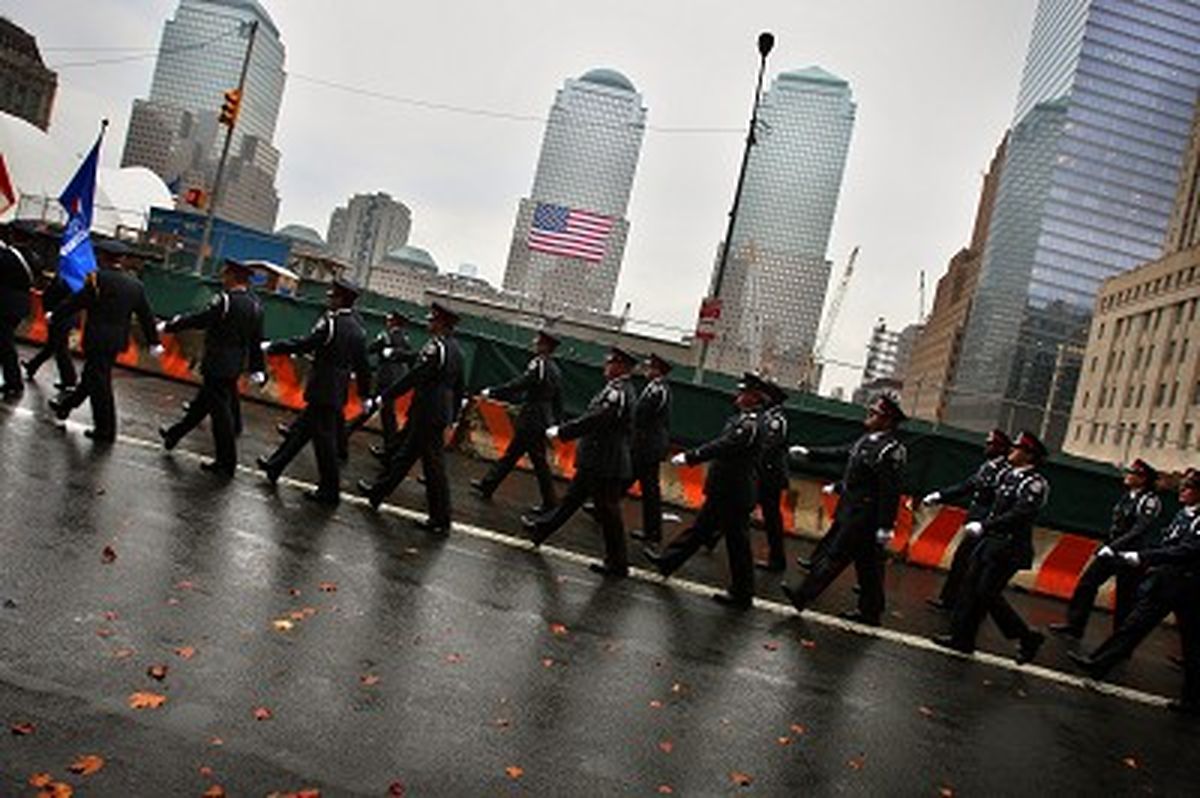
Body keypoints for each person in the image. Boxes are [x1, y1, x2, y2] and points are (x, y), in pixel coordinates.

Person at [1068, 471, 1200, 716]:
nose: (1183, 490)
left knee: (1193, 645)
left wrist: (1144, 556)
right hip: (1166, 582)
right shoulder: (1185, 515)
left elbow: (1189, 550)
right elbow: (1167, 543)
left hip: (1190, 588)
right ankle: (1098, 664)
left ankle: (1192, 699)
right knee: (1134, 624)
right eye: (1183, 486)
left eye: (1189, 487)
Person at [642, 373, 769, 608]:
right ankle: (668, 562)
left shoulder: (751, 423)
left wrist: (693, 456)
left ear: (755, 397)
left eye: (743, 393)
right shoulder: (742, 419)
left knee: (737, 543)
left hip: (734, 491)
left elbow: (726, 445)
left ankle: (742, 594)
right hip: (727, 489)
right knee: (701, 529)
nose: (738, 396)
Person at [780, 395, 907, 626]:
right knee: (868, 565)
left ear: (888, 420)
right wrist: (810, 453)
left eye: (875, 412)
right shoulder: (866, 441)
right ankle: (871, 611)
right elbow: (840, 453)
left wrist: (886, 525)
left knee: (835, 556)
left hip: (864, 516)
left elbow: (890, 490)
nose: (869, 413)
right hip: (851, 510)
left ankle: (802, 596)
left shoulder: (890, 450)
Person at [932, 431, 1050, 664]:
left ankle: (1026, 636)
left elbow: (1020, 514)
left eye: (1016, 448)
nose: (1011, 451)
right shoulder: (1008, 475)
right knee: (970, 589)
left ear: (1028, 455)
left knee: (986, 593)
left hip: (1009, 546)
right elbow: (978, 487)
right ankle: (962, 639)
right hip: (990, 543)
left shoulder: (1034, 484)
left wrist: (984, 525)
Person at [520, 346, 638, 578]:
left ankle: (618, 563)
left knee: (609, 512)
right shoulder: (615, 389)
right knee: (572, 499)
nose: (607, 366)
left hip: (606, 461)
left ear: (622, 367)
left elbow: (597, 419)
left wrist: (564, 432)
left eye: (611, 362)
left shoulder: (619, 392)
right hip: (597, 458)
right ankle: (541, 530)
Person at [255, 277, 370, 505]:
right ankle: (275, 465)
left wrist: (275, 347)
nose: (329, 300)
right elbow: (362, 365)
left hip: (323, 387)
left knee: (325, 443)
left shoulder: (332, 323)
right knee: (301, 431)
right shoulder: (358, 329)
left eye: (333, 296)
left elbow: (307, 343)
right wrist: (365, 393)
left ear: (341, 299)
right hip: (336, 388)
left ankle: (330, 490)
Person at [358, 301, 465, 533]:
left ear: (441, 324)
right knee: (405, 456)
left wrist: (385, 396)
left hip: (428, 411)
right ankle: (377, 493)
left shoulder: (436, 348)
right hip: (436, 412)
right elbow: (459, 387)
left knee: (433, 467)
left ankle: (441, 519)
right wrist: (453, 414)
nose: (429, 322)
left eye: (432, 319)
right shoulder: (455, 348)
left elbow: (414, 377)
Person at [156, 259, 267, 476]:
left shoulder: (225, 301)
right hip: (234, 365)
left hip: (217, 363)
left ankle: (226, 463)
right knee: (202, 403)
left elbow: (201, 319)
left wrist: (171, 325)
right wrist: (257, 367)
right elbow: (256, 340)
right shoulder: (255, 305)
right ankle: (174, 435)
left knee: (220, 416)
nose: (223, 277)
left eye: (226, 274)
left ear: (234, 277)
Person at [47, 251, 161, 442]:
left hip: (97, 337)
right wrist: (153, 341)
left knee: (100, 383)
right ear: (121, 260)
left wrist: (56, 315)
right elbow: (146, 316)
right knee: (92, 376)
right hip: (116, 340)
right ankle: (66, 406)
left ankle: (105, 429)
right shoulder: (135, 285)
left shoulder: (98, 279)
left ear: (103, 259)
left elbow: (77, 302)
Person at [1049, 459, 1163, 640]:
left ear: (1143, 479)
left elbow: (1139, 530)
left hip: (1129, 555)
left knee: (1125, 599)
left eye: (1133, 474)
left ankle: (1119, 641)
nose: (1128, 476)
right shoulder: (1128, 496)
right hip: (1111, 550)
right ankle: (1074, 626)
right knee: (1087, 584)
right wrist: (1107, 546)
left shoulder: (1149, 501)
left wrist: (1114, 547)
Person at [470, 328, 563, 510]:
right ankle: (488, 484)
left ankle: (550, 501)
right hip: (540, 417)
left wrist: (494, 391)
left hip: (532, 418)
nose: (535, 342)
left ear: (545, 346)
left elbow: (521, 383)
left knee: (537, 462)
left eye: (539, 341)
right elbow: (558, 398)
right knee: (516, 455)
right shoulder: (554, 369)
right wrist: (555, 420)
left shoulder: (539, 365)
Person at [921, 429, 1013, 610]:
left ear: (1001, 448)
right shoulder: (988, 466)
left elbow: (999, 503)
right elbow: (967, 486)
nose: (986, 446)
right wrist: (939, 495)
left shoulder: (1004, 472)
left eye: (991, 444)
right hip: (975, 522)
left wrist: (984, 524)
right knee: (961, 561)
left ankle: (960, 603)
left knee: (969, 565)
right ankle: (950, 600)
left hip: (984, 525)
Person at [628, 353, 672, 545]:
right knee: (631, 477)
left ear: (657, 370)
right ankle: (603, 506)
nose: (647, 370)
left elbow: (643, 416)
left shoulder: (658, 390)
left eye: (650, 367)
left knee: (649, 489)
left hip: (648, 445)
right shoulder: (655, 388)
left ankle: (653, 533)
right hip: (646, 443)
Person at [753, 378, 790, 571]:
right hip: (763, 473)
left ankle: (778, 560)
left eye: (765, 394)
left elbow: (769, 447)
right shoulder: (765, 415)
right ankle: (709, 537)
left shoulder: (776, 420)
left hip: (769, 476)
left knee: (772, 518)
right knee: (737, 507)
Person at [367, 310, 415, 457]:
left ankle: (390, 448)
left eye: (390, 320)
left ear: (394, 322)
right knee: (382, 410)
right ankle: (390, 447)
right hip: (396, 379)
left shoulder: (386, 337)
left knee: (385, 413)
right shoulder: (406, 339)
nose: (387, 322)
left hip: (384, 379)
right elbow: (409, 358)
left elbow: (370, 349)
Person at [21, 268, 78, 391]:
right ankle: (32, 366)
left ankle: (70, 380)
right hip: (62, 318)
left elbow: (56, 298)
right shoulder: (69, 282)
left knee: (61, 350)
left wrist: (52, 312)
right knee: (51, 346)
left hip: (60, 318)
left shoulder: (62, 282)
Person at [0, 236, 33, 400]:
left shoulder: (6, 256)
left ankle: (14, 381)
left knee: (5, 344)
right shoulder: (35, 259)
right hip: (22, 305)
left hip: (5, 304)